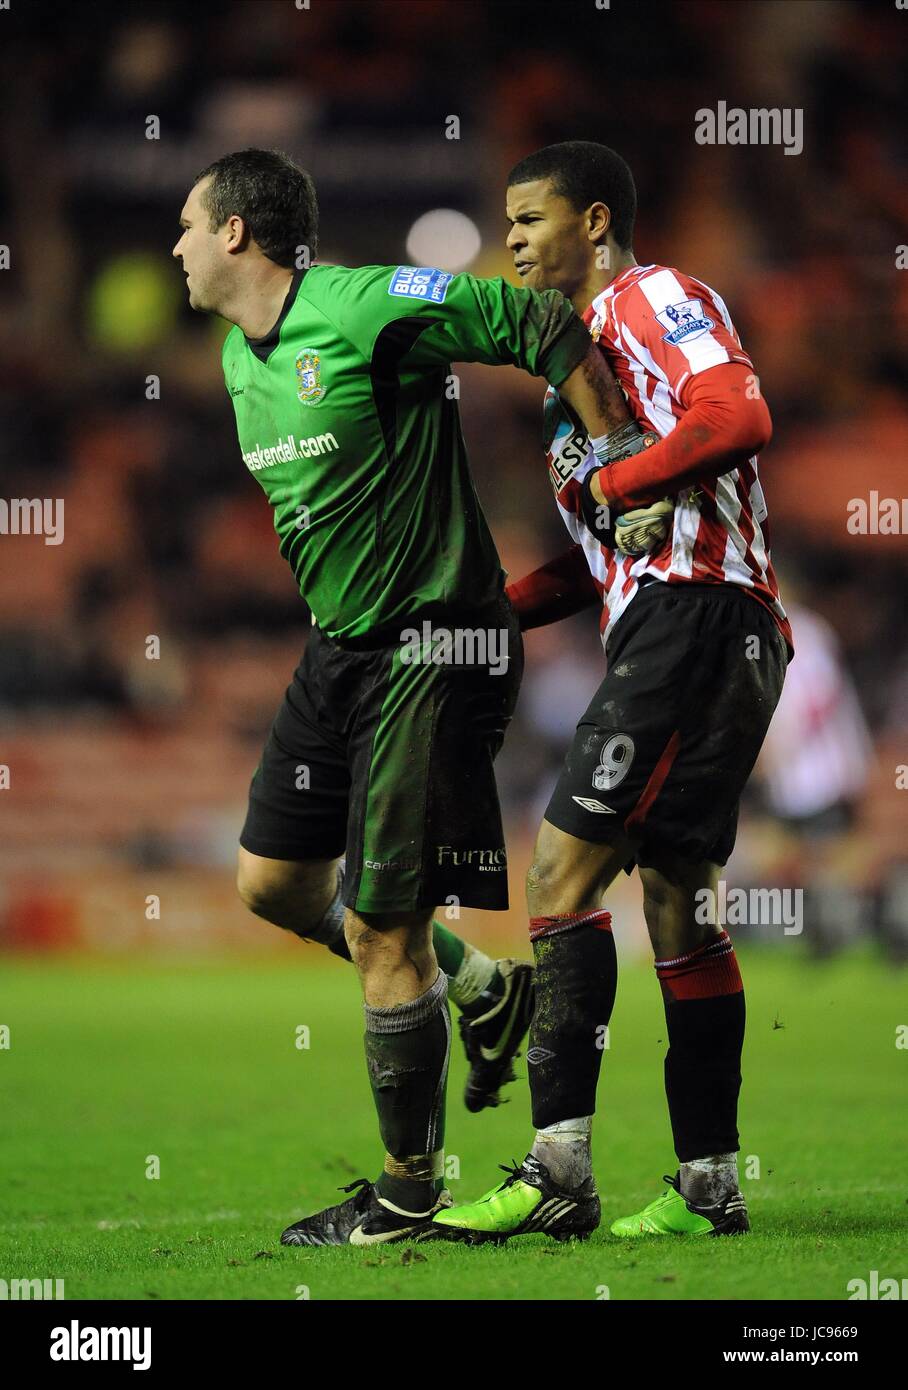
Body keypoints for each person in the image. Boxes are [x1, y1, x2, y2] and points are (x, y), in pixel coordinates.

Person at [172, 146, 653, 1246]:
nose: (177, 248)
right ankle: (481, 983)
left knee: (384, 929)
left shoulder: (367, 304)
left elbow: (536, 326)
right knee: (275, 884)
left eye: (189, 227)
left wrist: (618, 456)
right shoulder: (237, 358)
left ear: (237, 232)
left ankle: (402, 1194)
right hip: (340, 646)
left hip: (432, 642)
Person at [433, 140, 793, 1244]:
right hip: (693, 623)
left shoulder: (655, 297)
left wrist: (617, 475)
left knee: (558, 869)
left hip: (696, 615)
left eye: (529, 220)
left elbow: (737, 416)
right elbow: (597, 559)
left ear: (593, 221)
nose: (513, 241)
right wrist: (483, 611)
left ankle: (556, 1170)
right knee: (679, 900)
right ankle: (706, 1185)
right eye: (505, 222)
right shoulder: (575, 382)